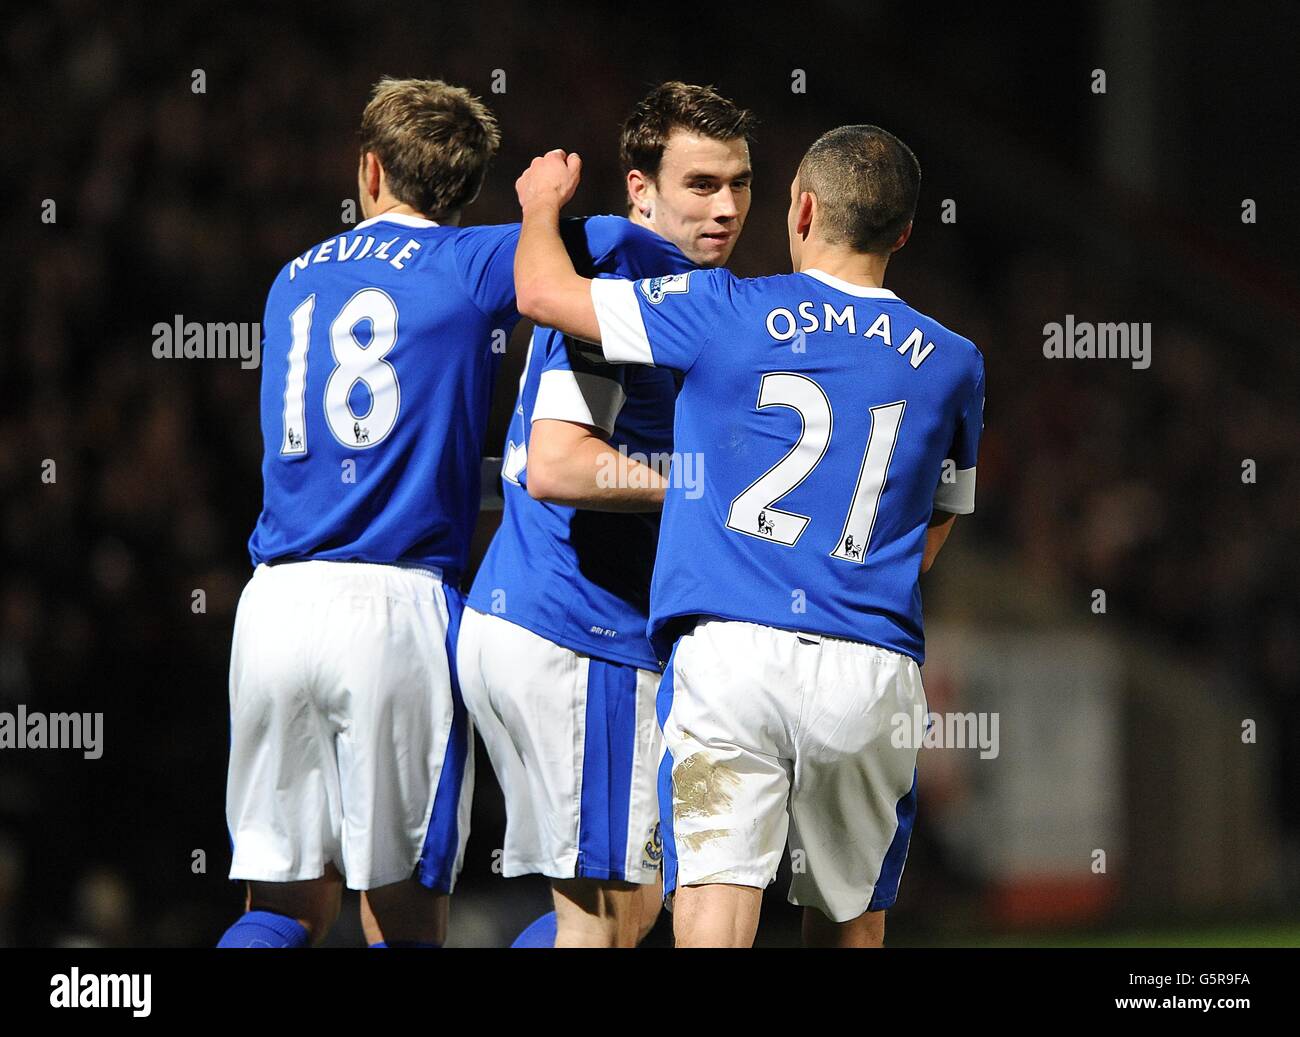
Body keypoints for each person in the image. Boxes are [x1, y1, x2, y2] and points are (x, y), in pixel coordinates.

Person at [509, 125, 984, 947]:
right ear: (905, 231)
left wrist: (540, 207)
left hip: (732, 653)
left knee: (715, 908)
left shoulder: (722, 307)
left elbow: (544, 294)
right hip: (868, 664)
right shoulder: (953, 362)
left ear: (801, 209)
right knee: (849, 925)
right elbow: (933, 523)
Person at [219, 77, 518, 948]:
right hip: (392, 610)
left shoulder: (290, 279)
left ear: (370, 169)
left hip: (275, 601)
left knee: (279, 909)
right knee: (404, 917)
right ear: (464, 186)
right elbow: (603, 247)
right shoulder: (473, 264)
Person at [459, 83, 755, 947]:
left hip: (543, 619)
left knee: (625, 910)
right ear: (640, 189)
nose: (727, 206)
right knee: (606, 920)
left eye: (739, 183)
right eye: (701, 184)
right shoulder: (629, 268)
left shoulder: (644, 285)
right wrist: (703, 488)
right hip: (579, 631)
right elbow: (560, 460)